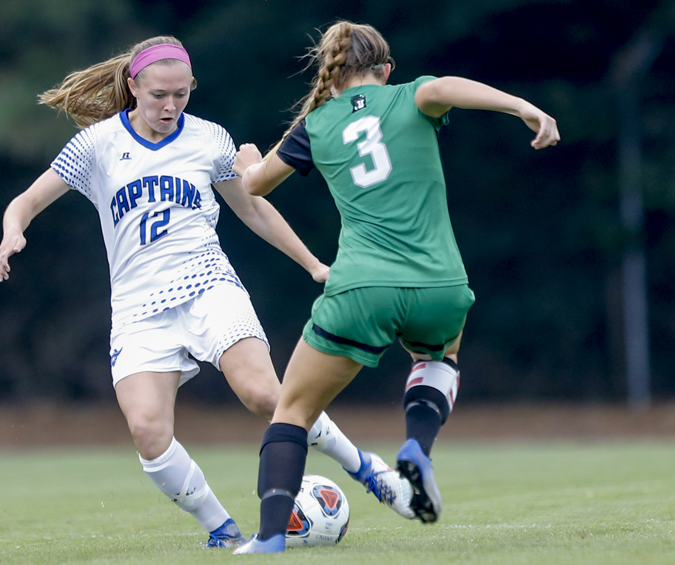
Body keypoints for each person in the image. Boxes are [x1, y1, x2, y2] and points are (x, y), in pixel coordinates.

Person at [0, 36, 417, 548]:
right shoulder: (97, 145)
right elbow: (26, 200)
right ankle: (221, 529)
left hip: (208, 286)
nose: (170, 106)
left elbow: (254, 207)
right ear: (134, 86)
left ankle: (367, 469)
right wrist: (13, 230)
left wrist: (312, 264)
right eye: (158, 96)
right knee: (149, 433)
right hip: (138, 308)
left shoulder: (209, 139)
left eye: (181, 94)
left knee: (265, 393)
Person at [229, 20, 560, 553]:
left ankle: (269, 538)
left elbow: (256, 187)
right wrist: (523, 106)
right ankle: (417, 448)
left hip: (362, 289)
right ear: (386, 71)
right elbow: (444, 86)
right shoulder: (412, 95)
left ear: (331, 78)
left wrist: (247, 166)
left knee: (291, 411)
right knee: (438, 358)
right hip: (441, 285)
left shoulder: (313, 125)